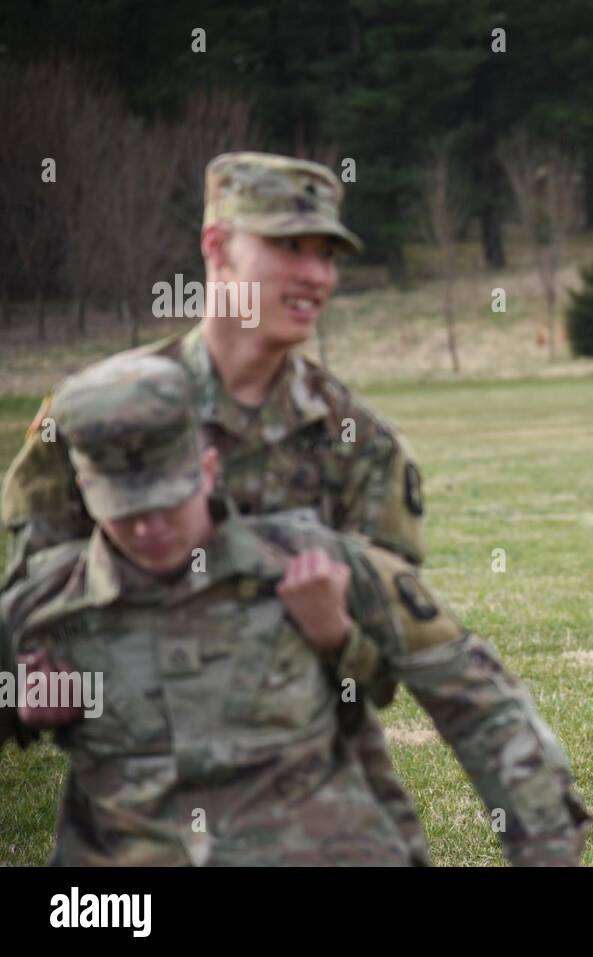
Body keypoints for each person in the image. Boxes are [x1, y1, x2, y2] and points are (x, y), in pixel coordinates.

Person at [1, 152, 432, 861]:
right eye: (288, 245)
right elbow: (32, 614)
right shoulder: (91, 418)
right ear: (216, 247)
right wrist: (29, 682)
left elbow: (382, 669)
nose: (316, 274)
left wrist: (333, 636)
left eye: (326, 253)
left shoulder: (364, 447)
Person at [0, 354, 589, 866]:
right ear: (84, 489)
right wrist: (20, 708)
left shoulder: (317, 566)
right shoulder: (43, 609)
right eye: (124, 511)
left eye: (167, 500)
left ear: (207, 471)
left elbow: (481, 705)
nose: (150, 526)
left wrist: (544, 851)